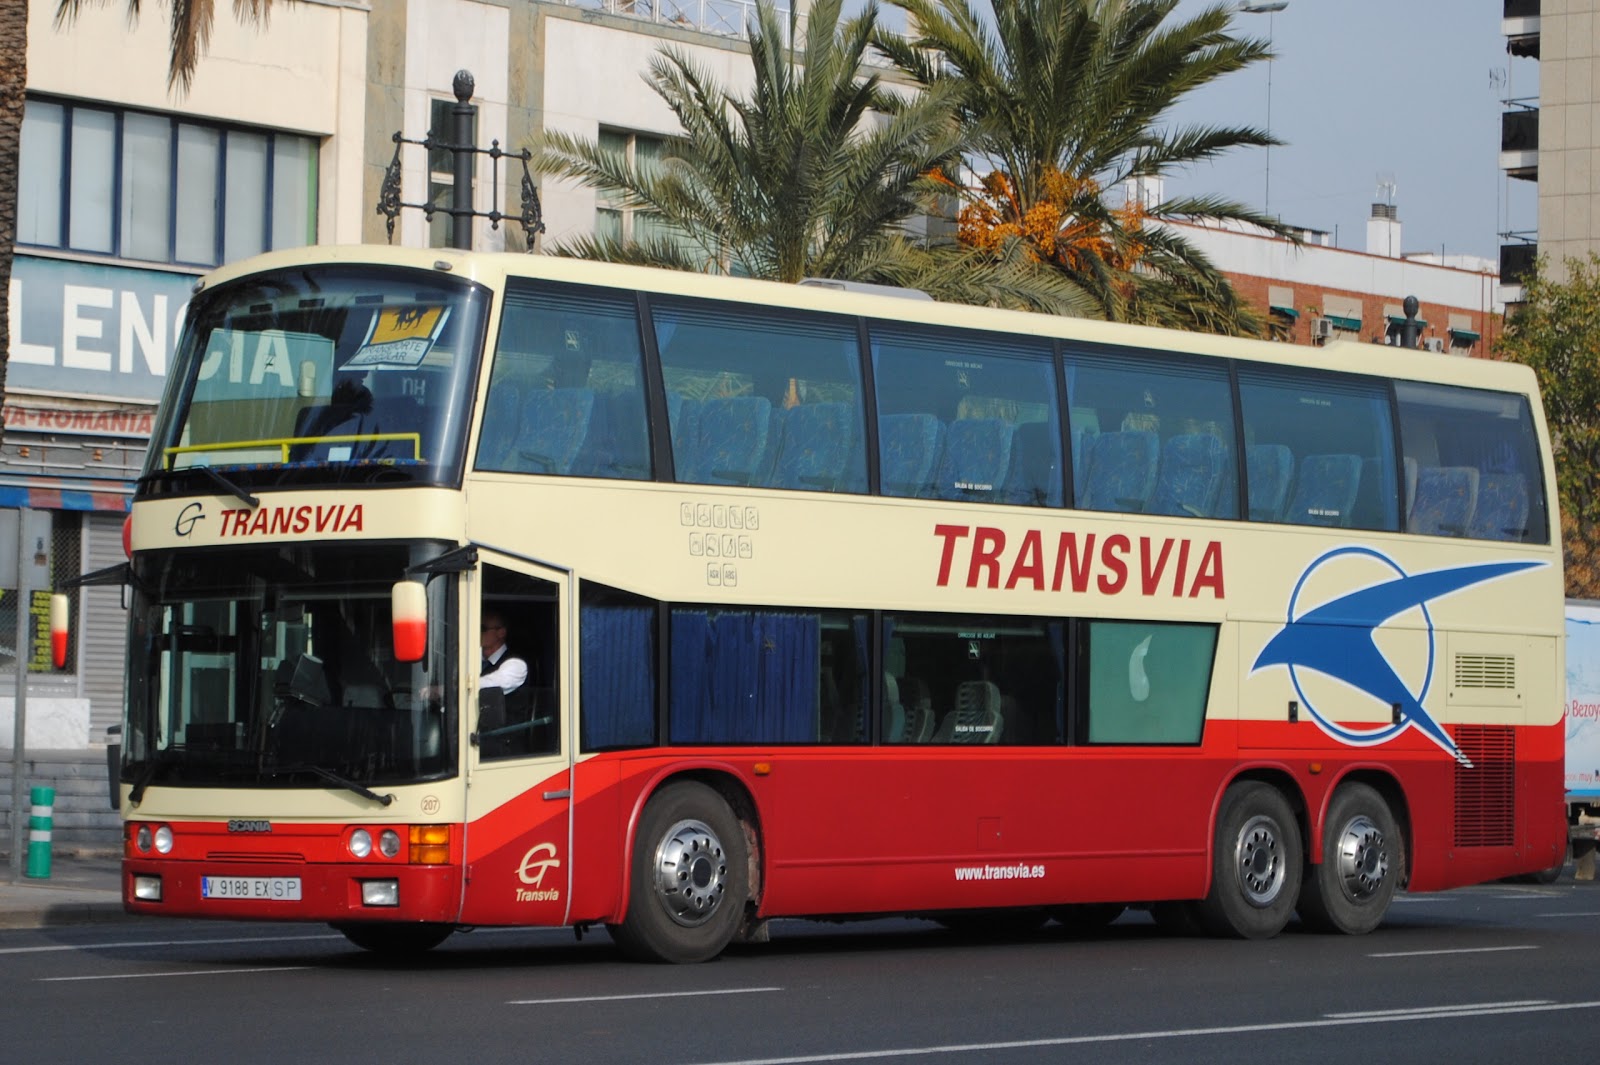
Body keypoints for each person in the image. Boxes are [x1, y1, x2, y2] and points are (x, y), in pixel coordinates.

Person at [479, 609, 528, 695]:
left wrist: (462, 684)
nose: (477, 633)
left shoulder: (516, 664)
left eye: (483, 628)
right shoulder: (475, 661)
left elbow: (492, 684)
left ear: (501, 633)